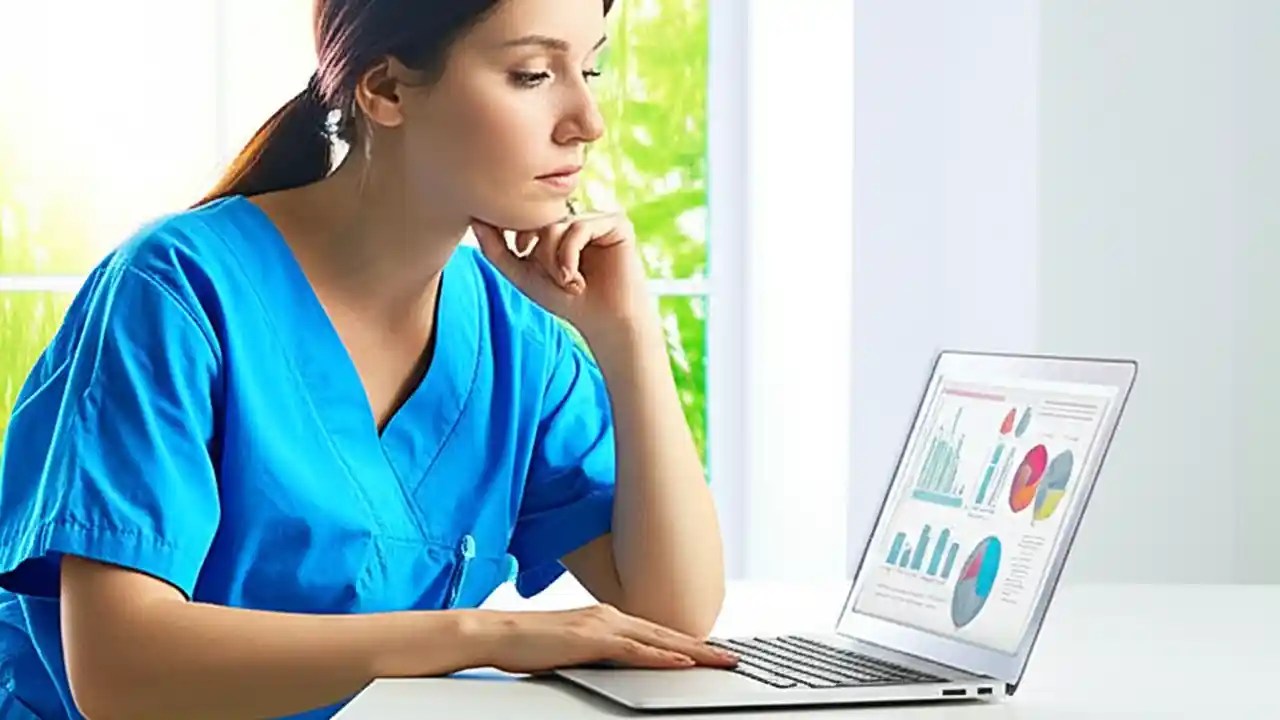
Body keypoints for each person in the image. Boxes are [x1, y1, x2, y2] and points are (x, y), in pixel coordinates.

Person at [0, 0, 739, 717]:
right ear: (385, 88)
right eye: (532, 75)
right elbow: (120, 673)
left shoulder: (521, 343)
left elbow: (671, 617)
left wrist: (628, 334)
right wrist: (485, 637)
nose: (589, 123)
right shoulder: (174, 291)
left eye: (592, 70)